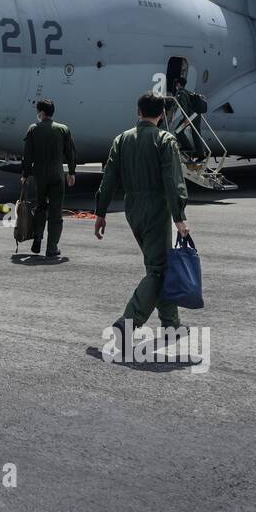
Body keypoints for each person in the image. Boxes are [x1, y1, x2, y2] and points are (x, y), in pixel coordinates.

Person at [93, 91, 192, 334]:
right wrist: (179, 216)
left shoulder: (122, 140)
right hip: (157, 209)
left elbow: (108, 179)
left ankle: (171, 323)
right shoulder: (165, 140)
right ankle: (128, 323)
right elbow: (172, 180)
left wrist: (100, 212)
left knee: (158, 266)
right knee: (159, 269)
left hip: (132, 209)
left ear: (138, 112)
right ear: (162, 114)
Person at [19, 98, 77, 258]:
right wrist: (71, 172)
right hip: (57, 173)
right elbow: (70, 153)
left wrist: (25, 174)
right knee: (56, 211)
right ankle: (52, 247)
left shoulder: (33, 129)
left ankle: (37, 237)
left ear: (41, 112)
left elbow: (27, 155)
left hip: (39, 175)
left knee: (40, 207)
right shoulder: (63, 129)